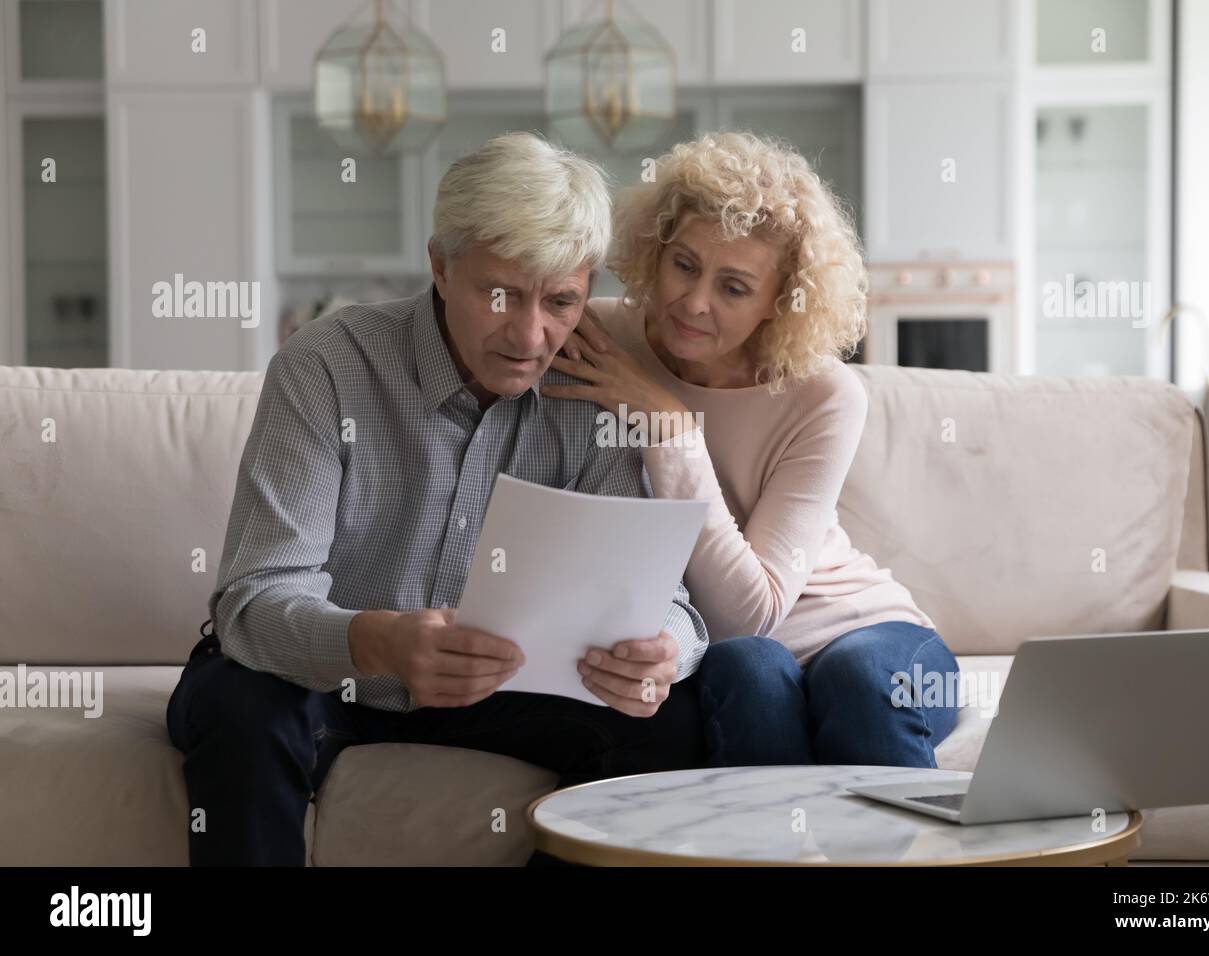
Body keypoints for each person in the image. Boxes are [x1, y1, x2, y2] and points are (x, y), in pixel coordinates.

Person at [165, 132, 709, 866]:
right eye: (501, 295)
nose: (530, 333)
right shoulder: (327, 367)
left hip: (504, 690)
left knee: (673, 728)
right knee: (240, 704)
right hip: (332, 680)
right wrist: (380, 641)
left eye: (561, 301)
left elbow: (668, 601)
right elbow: (253, 601)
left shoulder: (595, 393)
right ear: (439, 266)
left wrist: (664, 653)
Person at [542, 131, 960, 769]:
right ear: (655, 250)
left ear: (780, 302)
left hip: (865, 631)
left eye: (734, 288)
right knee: (747, 671)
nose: (693, 301)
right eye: (683, 264)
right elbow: (734, 638)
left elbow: (751, 612)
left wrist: (672, 428)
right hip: (727, 646)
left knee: (853, 681)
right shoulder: (599, 338)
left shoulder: (823, 395)